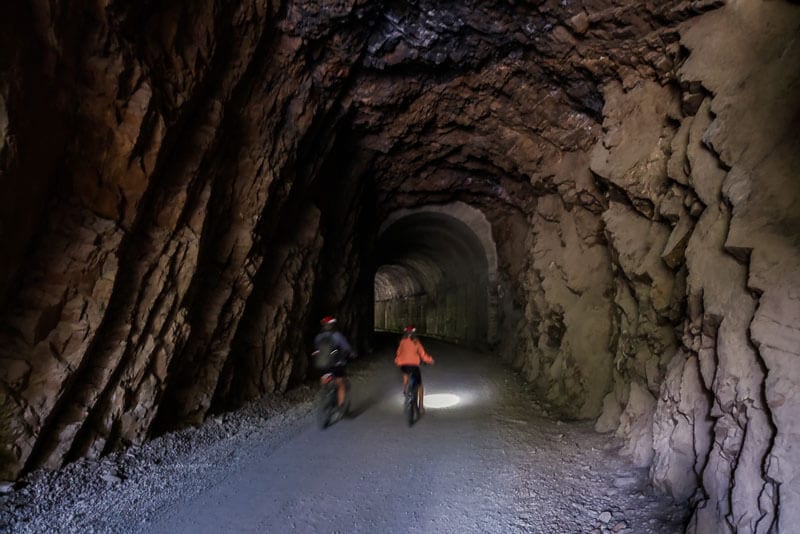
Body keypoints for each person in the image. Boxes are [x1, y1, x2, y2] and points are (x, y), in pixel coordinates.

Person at [313, 316, 356, 412]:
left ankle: (325, 394)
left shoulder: (318, 337)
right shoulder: (337, 336)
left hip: (322, 365)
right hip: (337, 364)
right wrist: (352, 353)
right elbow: (346, 348)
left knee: (325, 378)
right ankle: (341, 407)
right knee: (341, 383)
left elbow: (317, 350)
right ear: (333, 325)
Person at [394, 326, 434, 414]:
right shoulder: (416, 342)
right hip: (414, 366)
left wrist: (397, 361)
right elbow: (423, 355)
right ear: (414, 334)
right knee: (420, 385)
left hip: (404, 365)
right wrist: (430, 360)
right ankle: (421, 406)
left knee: (405, 373)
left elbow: (398, 353)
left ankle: (405, 389)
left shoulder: (402, 342)